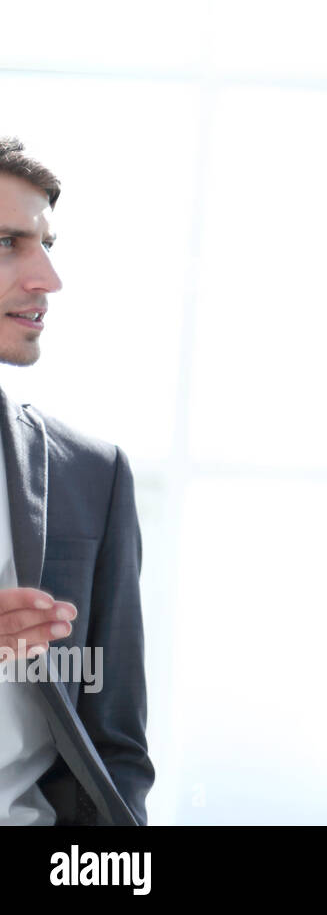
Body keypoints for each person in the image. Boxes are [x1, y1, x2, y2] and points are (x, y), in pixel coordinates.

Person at [0, 137, 152, 825]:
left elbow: (115, 739)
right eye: (9, 244)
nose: (47, 278)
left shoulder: (91, 474)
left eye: (46, 243)